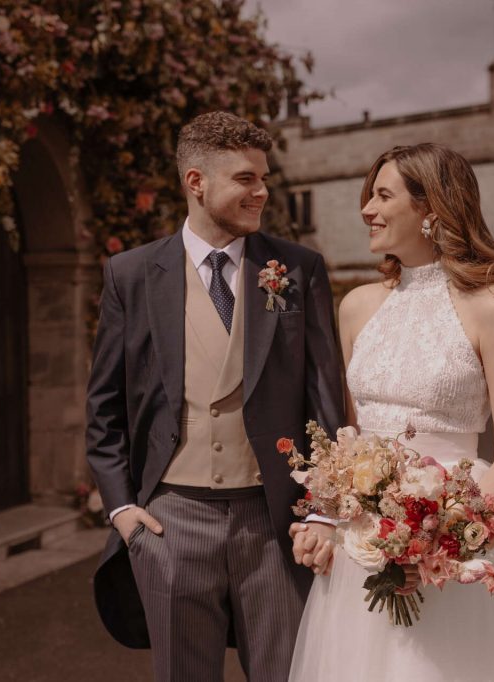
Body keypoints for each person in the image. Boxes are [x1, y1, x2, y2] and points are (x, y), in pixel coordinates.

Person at [287, 143, 494, 680]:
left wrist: (448, 534)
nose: (366, 209)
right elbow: (349, 438)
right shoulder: (356, 306)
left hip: (455, 541)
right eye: (368, 195)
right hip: (365, 545)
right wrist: (327, 515)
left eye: (382, 195)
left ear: (431, 210)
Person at [86, 111, 345, 682]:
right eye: (246, 179)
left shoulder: (297, 270)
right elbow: (104, 408)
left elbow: (325, 403)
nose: (263, 191)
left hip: (275, 523)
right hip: (171, 521)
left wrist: (324, 511)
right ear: (196, 182)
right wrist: (125, 511)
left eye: (264, 177)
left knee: (285, 674)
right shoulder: (130, 274)